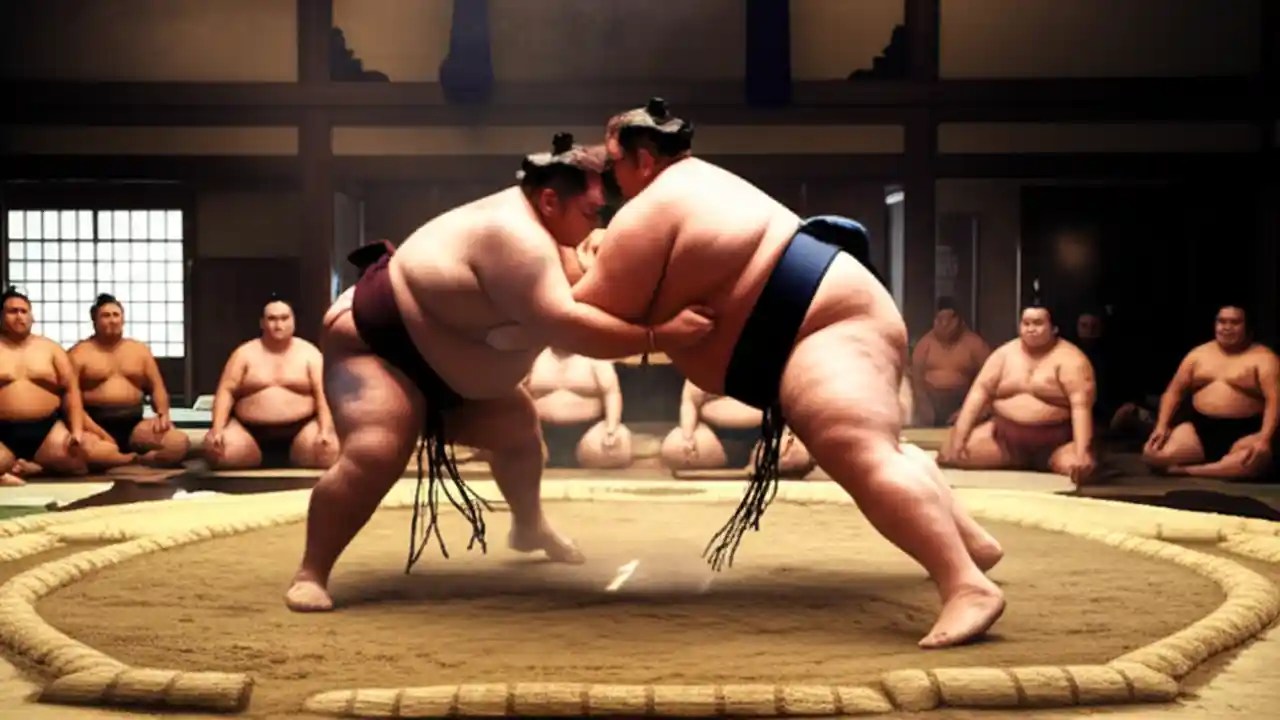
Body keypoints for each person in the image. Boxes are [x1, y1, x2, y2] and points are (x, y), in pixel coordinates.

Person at [556, 100, 1003, 648]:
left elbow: (583, 314)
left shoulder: (651, 209)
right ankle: (970, 542)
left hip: (821, 324)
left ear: (644, 159)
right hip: (826, 318)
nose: (611, 179)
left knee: (859, 450)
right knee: (878, 446)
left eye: (615, 164)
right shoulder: (698, 184)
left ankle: (966, 584)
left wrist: (571, 256)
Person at [285, 133, 713, 612]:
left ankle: (529, 527)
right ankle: (311, 572)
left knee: (519, 433)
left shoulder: (557, 237)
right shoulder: (514, 237)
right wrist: (658, 336)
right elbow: (570, 326)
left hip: (451, 367)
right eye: (591, 212)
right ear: (549, 201)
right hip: (381, 350)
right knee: (376, 450)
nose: (598, 221)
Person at [939, 305, 1097, 483]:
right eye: (1026, 323)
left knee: (1080, 468)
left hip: (1056, 443)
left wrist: (1082, 451)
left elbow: (1081, 407)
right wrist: (959, 437)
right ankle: (1011, 459)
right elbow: (978, 394)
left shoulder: (1071, 359)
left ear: (1054, 328)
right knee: (950, 453)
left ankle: (1065, 458)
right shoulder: (1003, 355)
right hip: (1004, 440)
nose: (1031, 329)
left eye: (1038, 323)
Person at [0, 287, 134, 485]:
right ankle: (9, 466)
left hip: (46, 427)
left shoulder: (51, 348)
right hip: (2, 428)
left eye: (24, 311)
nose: (19, 316)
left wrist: (77, 431)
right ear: (1, 316)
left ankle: (33, 468)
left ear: (32, 317)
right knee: (1, 461)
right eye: (12, 311)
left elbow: (71, 391)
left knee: (77, 463)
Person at [1142, 304, 1277, 478]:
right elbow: (1173, 392)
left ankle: (1185, 471)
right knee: (1153, 455)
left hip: (1248, 430)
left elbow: (1275, 401)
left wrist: (1265, 438)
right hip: (1201, 427)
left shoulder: (1265, 359)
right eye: (1222, 321)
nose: (1227, 327)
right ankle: (1216, 468)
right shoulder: (1198, 355)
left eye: (1235, 322)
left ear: (1248, 328)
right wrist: (1161, 426)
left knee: (1252, 463)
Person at [204, 297, 339, 470]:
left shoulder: (310, 354)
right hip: (248, 431)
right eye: (272, 319)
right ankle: (253, 456)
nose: (278, 325)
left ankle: (295, 455)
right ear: (262, 323)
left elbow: (323, 395)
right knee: (218, 452)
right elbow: (226, 392)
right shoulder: (244, 354)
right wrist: (217, 429)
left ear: (293, 321)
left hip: (302, 429)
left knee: (329, 452)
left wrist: (325, 429)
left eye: (284, 318)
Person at [69, 294, 191, 467]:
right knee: (82, 451)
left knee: (178, 443)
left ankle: (127, 459)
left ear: (123, 319)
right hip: (94, 425)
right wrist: (98, 433)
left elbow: (157, 388)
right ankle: (128, 459)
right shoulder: (79, 353)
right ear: (94, 320)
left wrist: (162, 414)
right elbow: (70, 401)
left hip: (134, 423)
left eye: (116, 315)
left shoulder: (139, 351)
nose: (112, 320)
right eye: (105, 316)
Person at [660, 379, 815, 477]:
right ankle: (746, 462)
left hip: (770, 431)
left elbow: (798, 401)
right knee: (674, 448)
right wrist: (688, 437)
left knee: (797, 454)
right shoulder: (708, 358)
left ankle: (764, 463)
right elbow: (689, 402)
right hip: (716, 434)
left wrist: (790, 434)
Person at [525, 347, 634, 468]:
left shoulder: (595, 357)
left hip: (588, 431)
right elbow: (516, 391)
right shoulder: (533, 357)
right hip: (539, 429)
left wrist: (611, 428)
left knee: (619, 445)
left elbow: (611, 392)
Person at [910, 297, 990, 427]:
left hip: (964, 402)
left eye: (950, 319)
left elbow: (989, 382)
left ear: (960, 320)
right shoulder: (924, 345)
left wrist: (968, 410)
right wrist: (923, 405)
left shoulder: (975, 345)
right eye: (940, 319)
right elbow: (916, 380)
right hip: (929, 403)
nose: (944, 324)